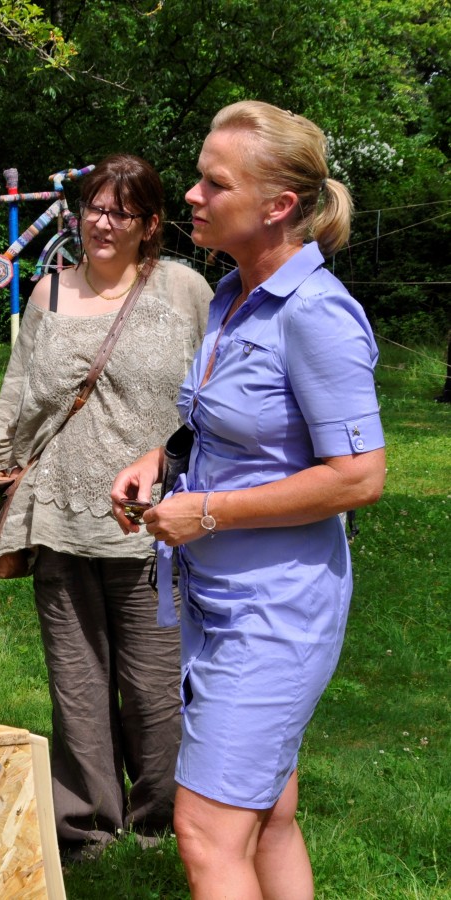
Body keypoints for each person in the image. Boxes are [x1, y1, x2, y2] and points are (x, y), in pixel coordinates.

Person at [111, 101, 386, 899]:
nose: (192, 194)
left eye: (212, 181)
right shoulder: (234, 292)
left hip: (277, 614)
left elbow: (360, 475)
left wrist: (209, 514)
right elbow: (234, 424)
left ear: (277, 207)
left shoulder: (317, 315)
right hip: (219, 601)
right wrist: (159, 458)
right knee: (268, 816)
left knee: (203, 832)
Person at [0, 154, 212, 862]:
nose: (102, 223)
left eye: (122, 211)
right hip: (56, 517)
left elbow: (215, 397)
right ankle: (86, 826)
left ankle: (159, 821)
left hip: (151, 526)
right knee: (76, 684)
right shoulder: (48, 292)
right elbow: (20, 393)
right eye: (93, 207)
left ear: (150, 225)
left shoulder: (185, 290)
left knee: (153, 686)